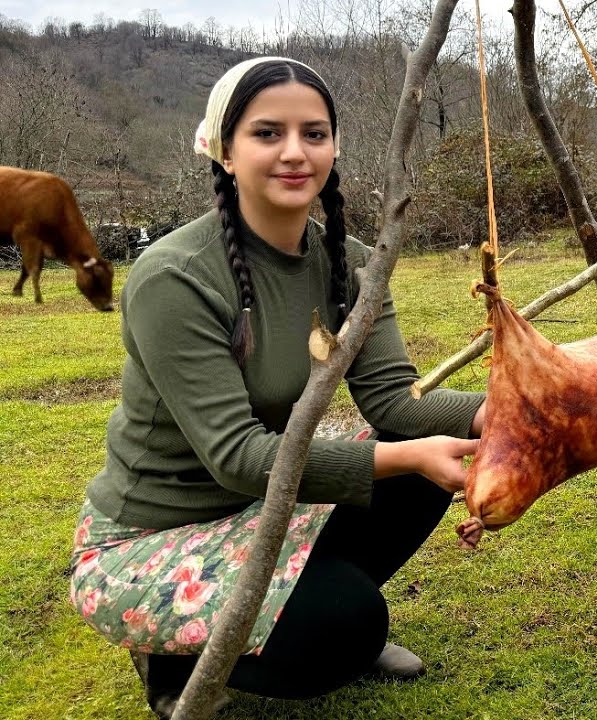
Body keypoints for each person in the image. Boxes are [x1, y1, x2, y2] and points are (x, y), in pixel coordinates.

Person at [68, 56, 487, 717]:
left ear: (334, 147)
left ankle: (291, 603)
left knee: (423, 452)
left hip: (259, 509)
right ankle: (172, 659)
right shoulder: (173, 277)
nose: (295, 152)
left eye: (314, 134)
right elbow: (237, 456)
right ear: (224, 152)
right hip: (151, 536)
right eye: (268, 133)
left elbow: (393, 401)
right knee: (346, 623)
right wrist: (411, 454)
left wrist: (506, 409)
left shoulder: (347, 264)